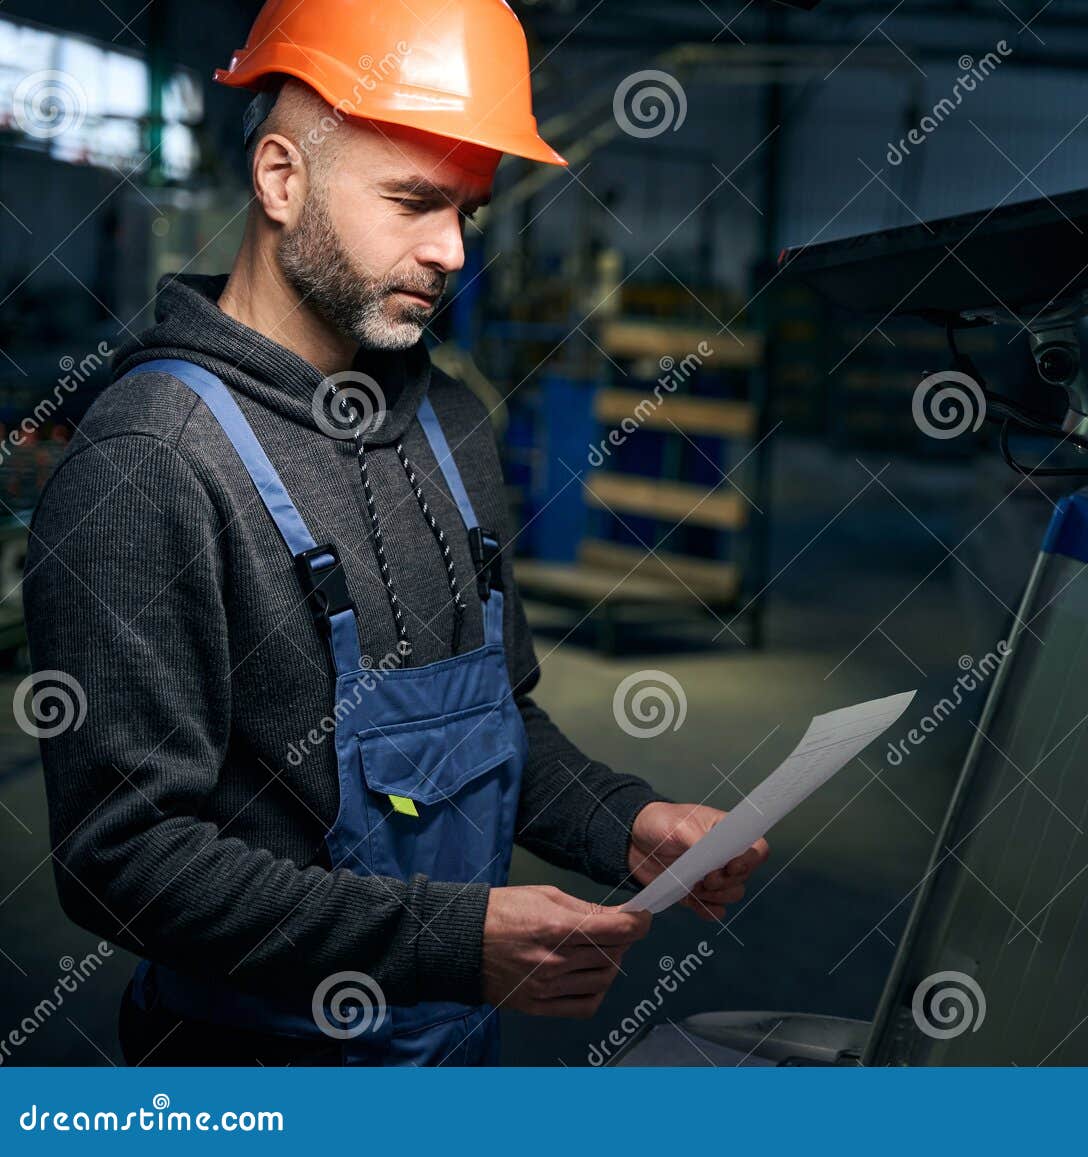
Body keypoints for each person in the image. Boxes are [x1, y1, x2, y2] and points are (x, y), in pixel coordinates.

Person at [23, 0, 766, 1066]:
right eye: (413, 202)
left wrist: (624, 821)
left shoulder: (450, 420)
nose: (451, 250)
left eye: (466, 208)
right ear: (283, 178)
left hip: (451, 1044)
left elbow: (492, 721)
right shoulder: (152, 460)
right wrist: (451, 938)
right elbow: (122, 857)